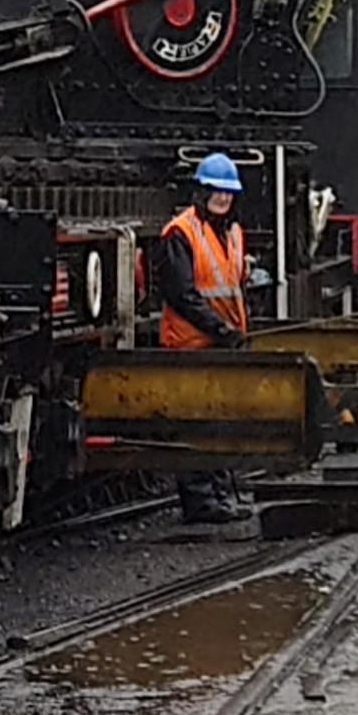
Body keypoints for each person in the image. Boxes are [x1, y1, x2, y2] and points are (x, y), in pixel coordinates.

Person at [159, 152, 250, 523]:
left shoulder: (234, 233)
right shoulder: (180, 233)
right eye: (216, 190)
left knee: (219, 423)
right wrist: (220, 329)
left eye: (228, 192)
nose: (222, 198)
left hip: (221, 345)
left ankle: (222, 496)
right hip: (190, 346)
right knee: (195, 424)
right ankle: (200, 502)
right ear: (201, 191)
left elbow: (233, 286)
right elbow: (181, 294)